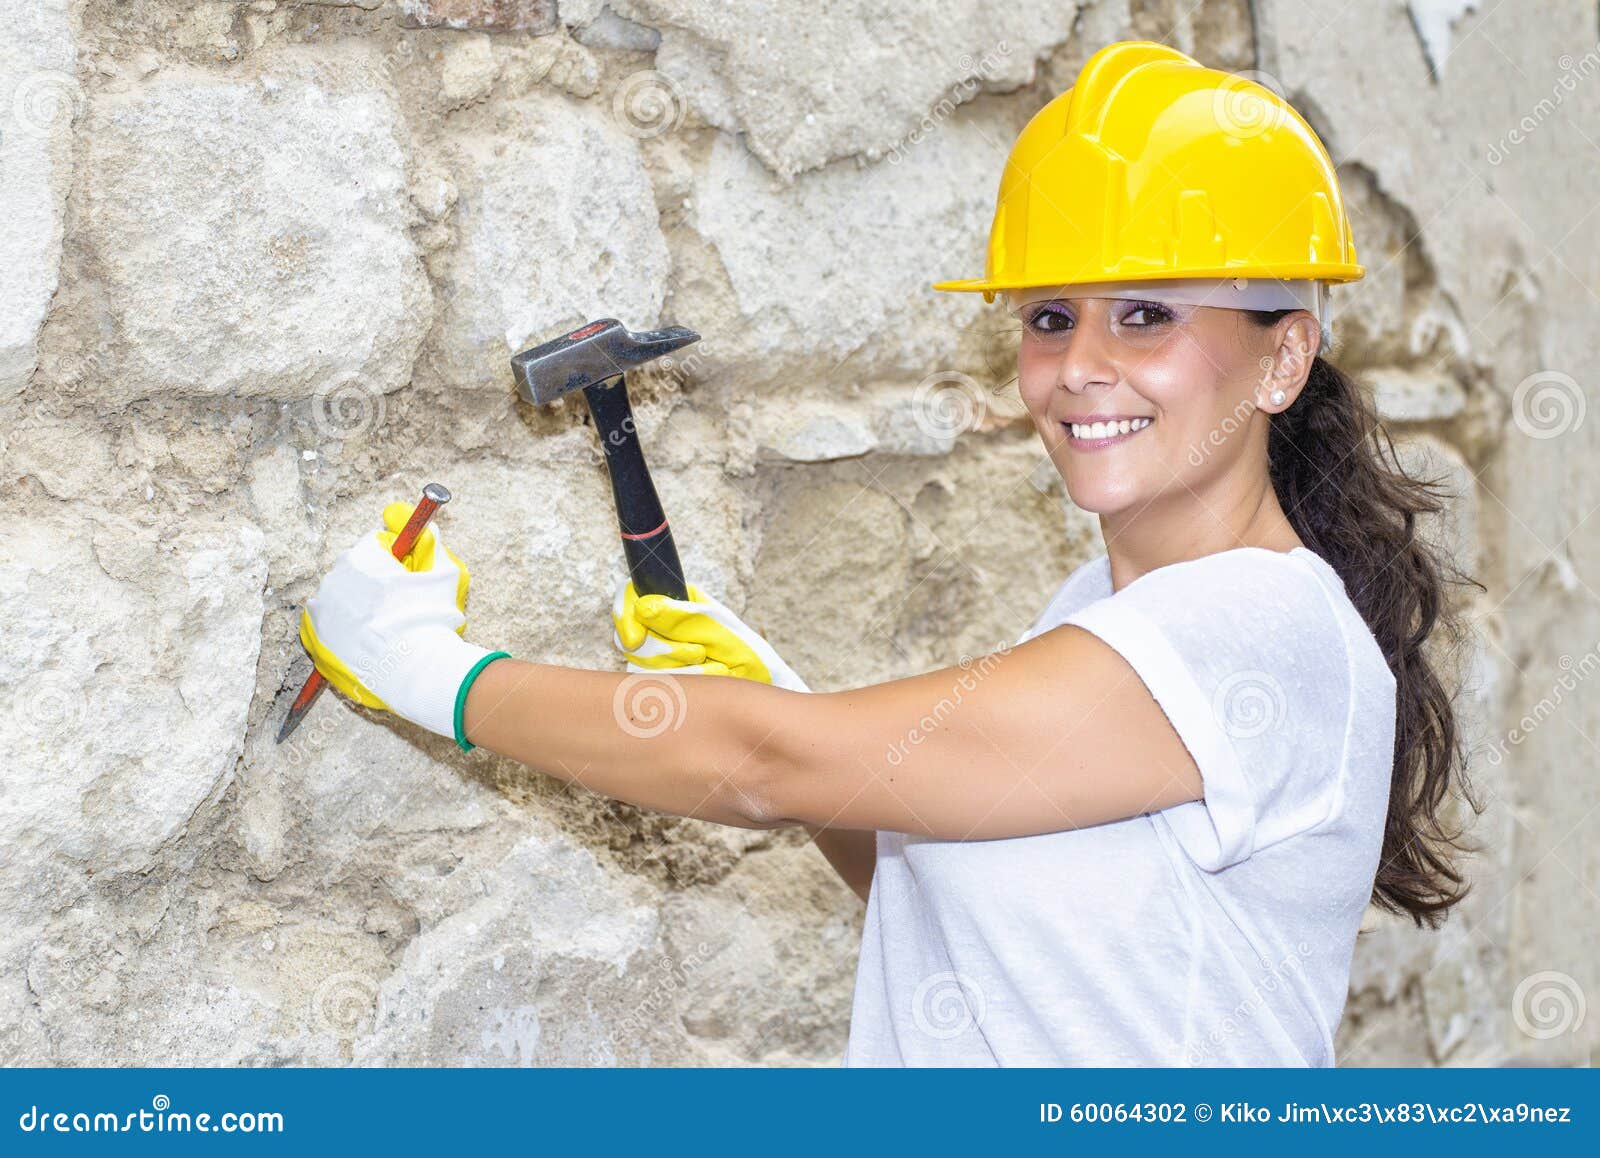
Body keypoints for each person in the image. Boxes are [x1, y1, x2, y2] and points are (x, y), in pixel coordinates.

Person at [298, 40, 1479, 1065]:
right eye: (1049, 318)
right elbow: (940, 905)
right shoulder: (1102, 613)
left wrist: (429, 672)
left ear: (1283, 359)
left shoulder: (1249, 631)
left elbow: (760, 771)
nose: (1079, 367)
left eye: (1149, 315)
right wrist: (799, 714)